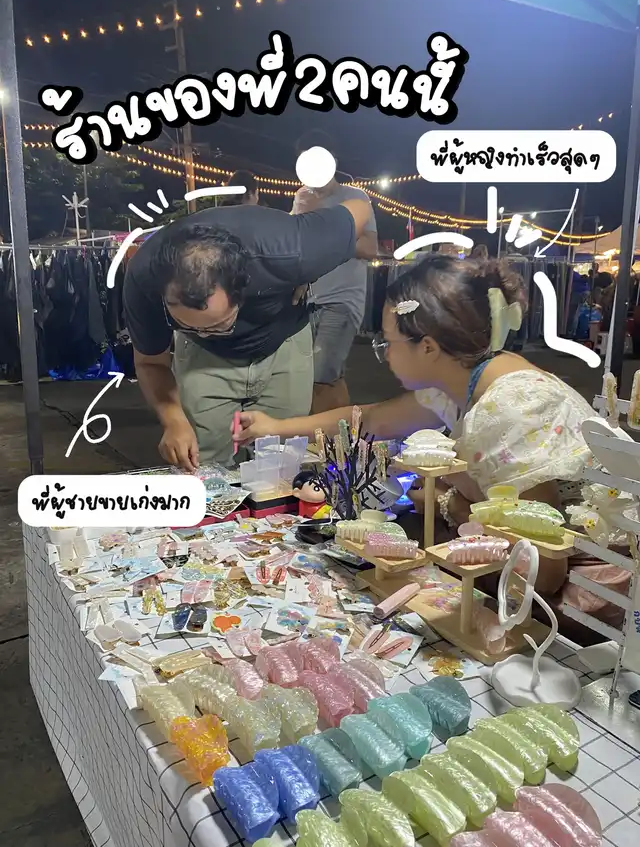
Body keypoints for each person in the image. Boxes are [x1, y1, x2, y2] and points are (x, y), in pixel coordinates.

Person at [235, 253, 630, 633]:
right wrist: (275, 426)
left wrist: (450, 504)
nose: (385, 355)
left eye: (388, 342)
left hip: (593, 588)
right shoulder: (467, 377)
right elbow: (371, 419)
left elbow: (543, 569)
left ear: (427, 346)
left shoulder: (510, 407)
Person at [124, 197, 373, 470]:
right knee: (202, 465)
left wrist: (307, 273)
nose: (206, 334)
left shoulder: (291, 249)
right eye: (187, 325)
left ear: (244, 287)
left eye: (218, 325)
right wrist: (173, 420)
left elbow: (360, 208)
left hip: (283, 341)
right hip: (202, 359)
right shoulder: (144, 278)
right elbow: (150, 362)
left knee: (280, 464)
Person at [292, 131, 378, 413]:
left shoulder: (355, 198)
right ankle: (345, 433)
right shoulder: (301, 197)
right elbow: (297, 244)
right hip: (308, 301)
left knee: (321, 374)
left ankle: (326, 434)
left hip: (342, 300)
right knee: (323, 376)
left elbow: (370, 248)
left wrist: (322, 219)